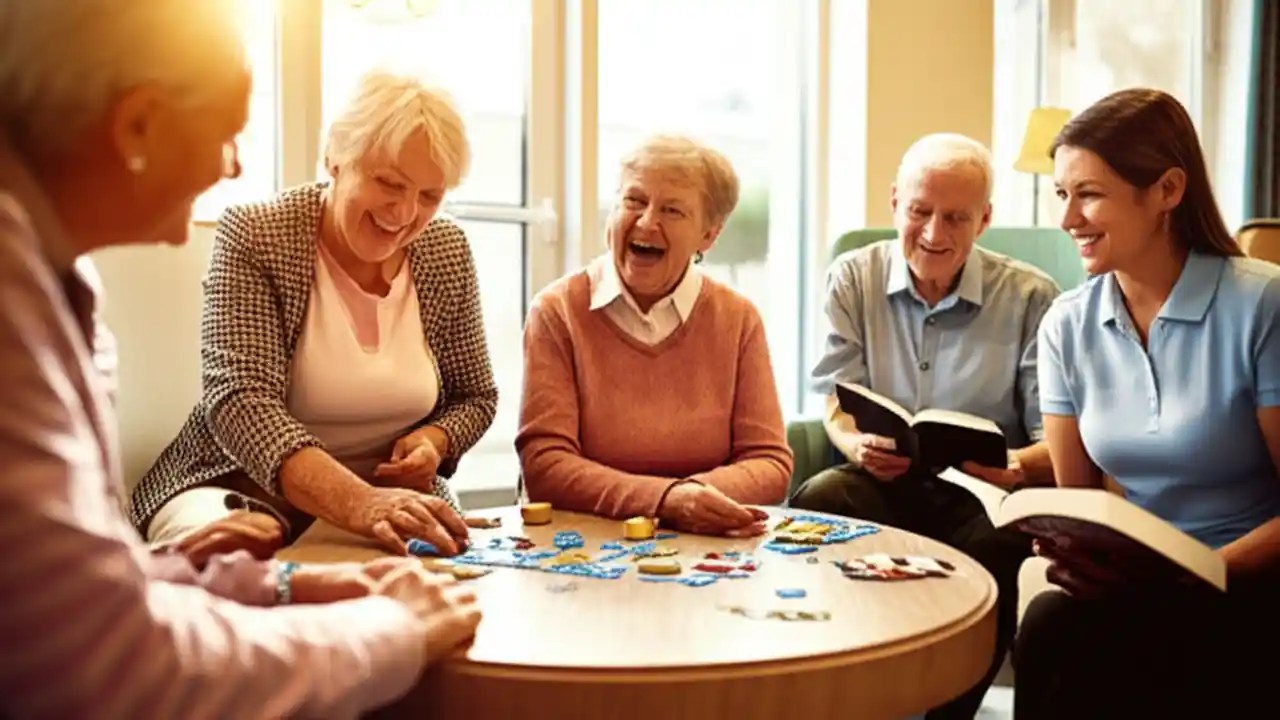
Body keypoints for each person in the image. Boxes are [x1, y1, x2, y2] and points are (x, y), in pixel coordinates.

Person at [0, 1, 479, 717]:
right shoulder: (16, 290)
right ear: (139, 127)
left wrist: (261, 583)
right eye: (227, 134)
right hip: (239, 484)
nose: (235, 163)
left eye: (429, 195)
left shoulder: (48, 263)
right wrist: (392, 630)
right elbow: (103, 660)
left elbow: (67, 589)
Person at [128, 69, 498, 558]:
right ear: (335, 158)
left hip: (389, 503)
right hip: (237, 486)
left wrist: (435, 440)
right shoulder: (257, 233)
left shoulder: (445, 249)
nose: (405, 213)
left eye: (430, 196)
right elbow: (239, 400)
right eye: (389, 182)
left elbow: (476, 396)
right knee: (236, 557)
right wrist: (358, 502)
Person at [1014, 88, 1280, 719]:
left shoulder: (1262, 306)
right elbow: (1078, 506)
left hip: (1248, 580)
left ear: (1167, 190)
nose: (1068, 218)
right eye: (1061, 194)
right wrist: (1071, 553)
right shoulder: (1066, 325)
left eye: (1089, 193)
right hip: (1140, 581)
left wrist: (1197, 572)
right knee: (1052, 626)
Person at [792, 133, 1060, 718]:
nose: (934, 233)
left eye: (956, 218)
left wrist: (1014, 466)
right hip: (880, 479)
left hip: (983, 494)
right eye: (919, 211)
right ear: (895, 203)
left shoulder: (1033, 297)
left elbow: (1054, 440)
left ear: (984, 219)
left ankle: (950, 712)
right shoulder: (853, 277)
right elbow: (836, 398)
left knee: (1001, 543)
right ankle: (837, 699)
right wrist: (856, 445)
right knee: (820, 501)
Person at [516, 135, 792, 536]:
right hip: (581, 543)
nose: (646, 222)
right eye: (634, 200)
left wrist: (696, 501)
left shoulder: (738, 319)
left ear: (709, 236)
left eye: (672, 210)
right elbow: (545, 465)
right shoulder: (557, 311)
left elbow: (770, 463)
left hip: (708, 541)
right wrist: (668, 500)